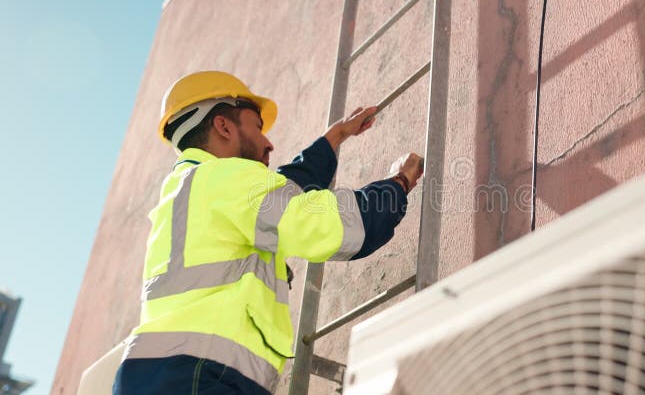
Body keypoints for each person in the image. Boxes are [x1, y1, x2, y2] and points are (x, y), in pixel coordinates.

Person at [113, 71, 423, 394]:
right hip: (198, 376)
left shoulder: (192, 188)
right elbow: (320, 223)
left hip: (170, 376)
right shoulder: (224, 181)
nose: (268, 142)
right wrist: (398, 186)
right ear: (223, 126)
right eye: (257, 127)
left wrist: (335, 138)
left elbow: (281, 192)